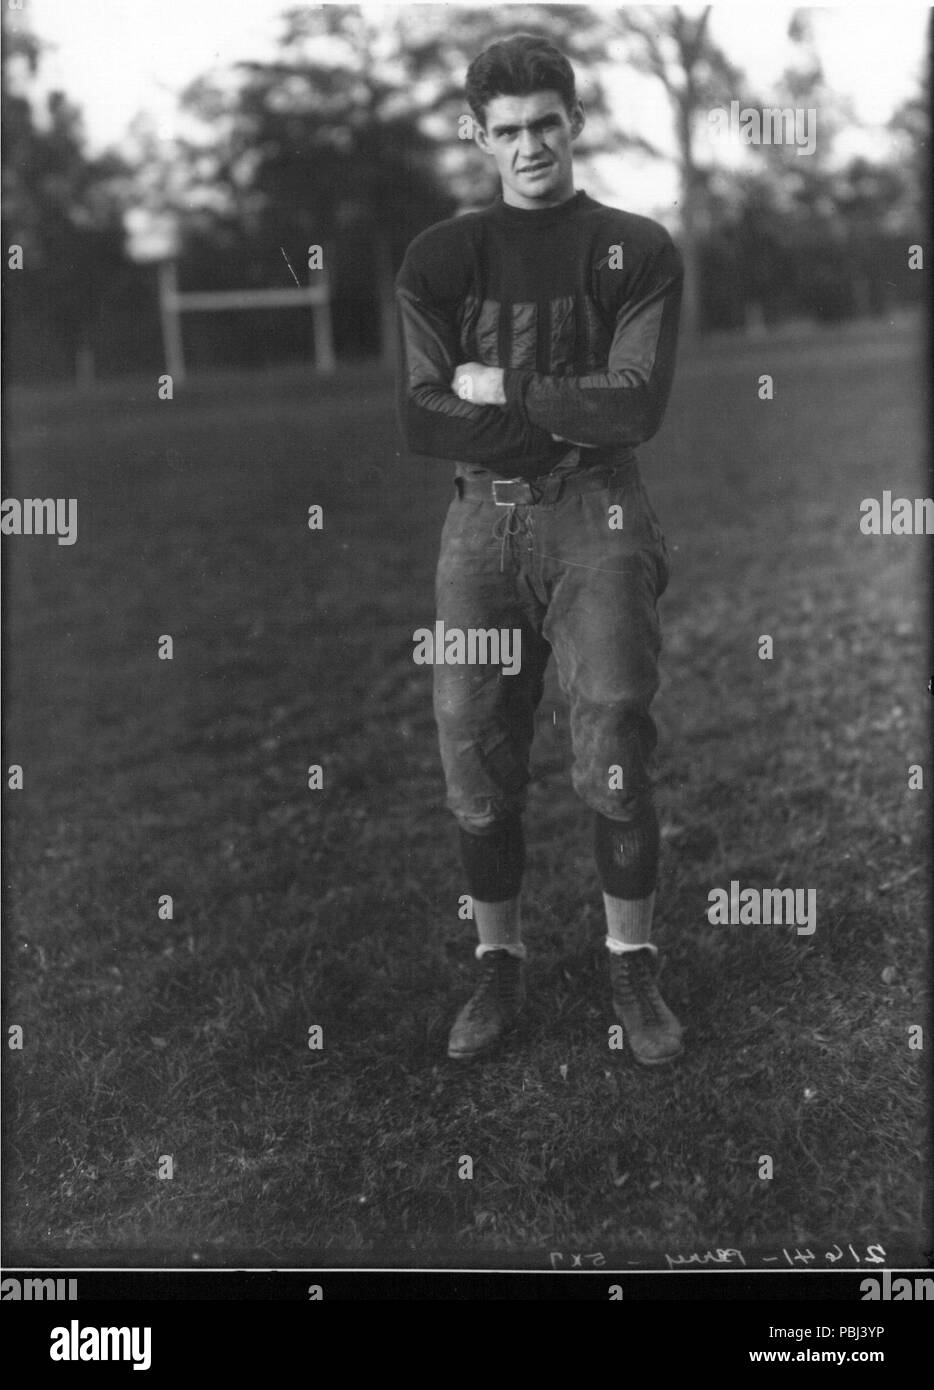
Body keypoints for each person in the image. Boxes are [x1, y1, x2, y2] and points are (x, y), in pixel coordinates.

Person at [395, 33, 685, 1065]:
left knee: (610, 731)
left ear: (576, 119)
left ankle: (629, 960)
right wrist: (561, 413)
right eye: (506, 131)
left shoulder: (636, 247)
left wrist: (506, 387)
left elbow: (636, 403)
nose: (529, 147)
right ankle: (499, 960)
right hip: (476, 524)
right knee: (472, 742)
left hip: (598, 512)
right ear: (480, 135)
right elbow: (426, 416)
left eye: (545, 124)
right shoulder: (440, 256)